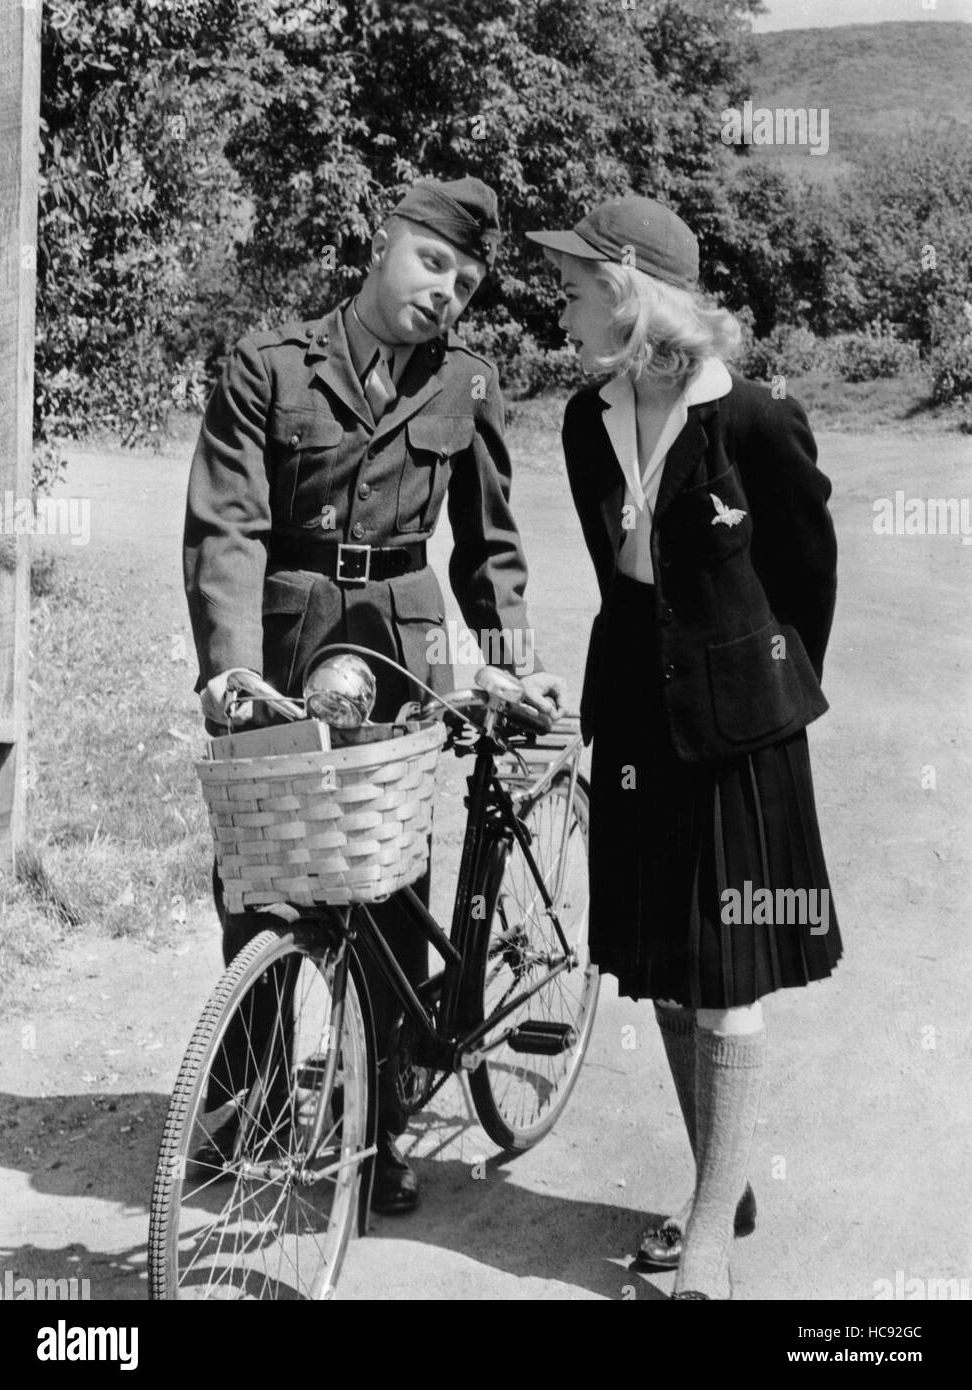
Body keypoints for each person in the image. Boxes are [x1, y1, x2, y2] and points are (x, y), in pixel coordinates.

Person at [184, 175, 566, 1215]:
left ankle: (380, 1113)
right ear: (381, 239)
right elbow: (227, 526)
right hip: (288, 622)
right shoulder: (270, 365)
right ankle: (240, 1098)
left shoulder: (467, 386)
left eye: (467, 280)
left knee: (391, 876)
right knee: (263, 871)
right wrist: (227, 663)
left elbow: (490, 548)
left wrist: (511, 656)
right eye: (433, 262)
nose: (447, 291)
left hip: (407, 634)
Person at [527, 195, 842, 1299]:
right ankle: (728, 1179)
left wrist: (759, 685)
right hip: (633, 726)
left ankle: (707, 1246)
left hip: (737, 735)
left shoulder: (752, 419)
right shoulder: (582, 420)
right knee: (661, 975)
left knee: (725, 983)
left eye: (571, 285)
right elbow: (623, 584)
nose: (556, 304)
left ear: (625, 287)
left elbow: (806, 576)